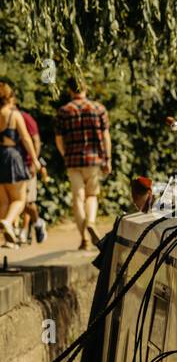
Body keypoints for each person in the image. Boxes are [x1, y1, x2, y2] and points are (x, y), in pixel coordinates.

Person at [54, 77, 111, 250]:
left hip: (73, 160)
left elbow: (58, 139)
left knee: (77, 198)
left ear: (70, 90)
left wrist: (66, 154)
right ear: (85, 88)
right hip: (93, 160)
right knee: (91, 196)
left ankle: (84, 239)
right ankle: (91, 222)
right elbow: (106, 136)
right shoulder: (98, 109)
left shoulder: (63, 111)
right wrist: (107, 158)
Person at [0, 82, 39, 248]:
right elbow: (26, 138)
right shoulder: (14, 115)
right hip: (11, 156)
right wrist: (35, 159)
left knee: (3, 202)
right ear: (10, 97)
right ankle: (8, 222)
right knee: (20, 199)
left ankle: (3, 238)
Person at [15, 92, 47, 244]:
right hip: (9, 166)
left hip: (26, 165)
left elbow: (35, 140)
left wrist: (34, 162)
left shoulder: (25, 118)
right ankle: (20, 231)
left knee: (27, 202)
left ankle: (37, 223)